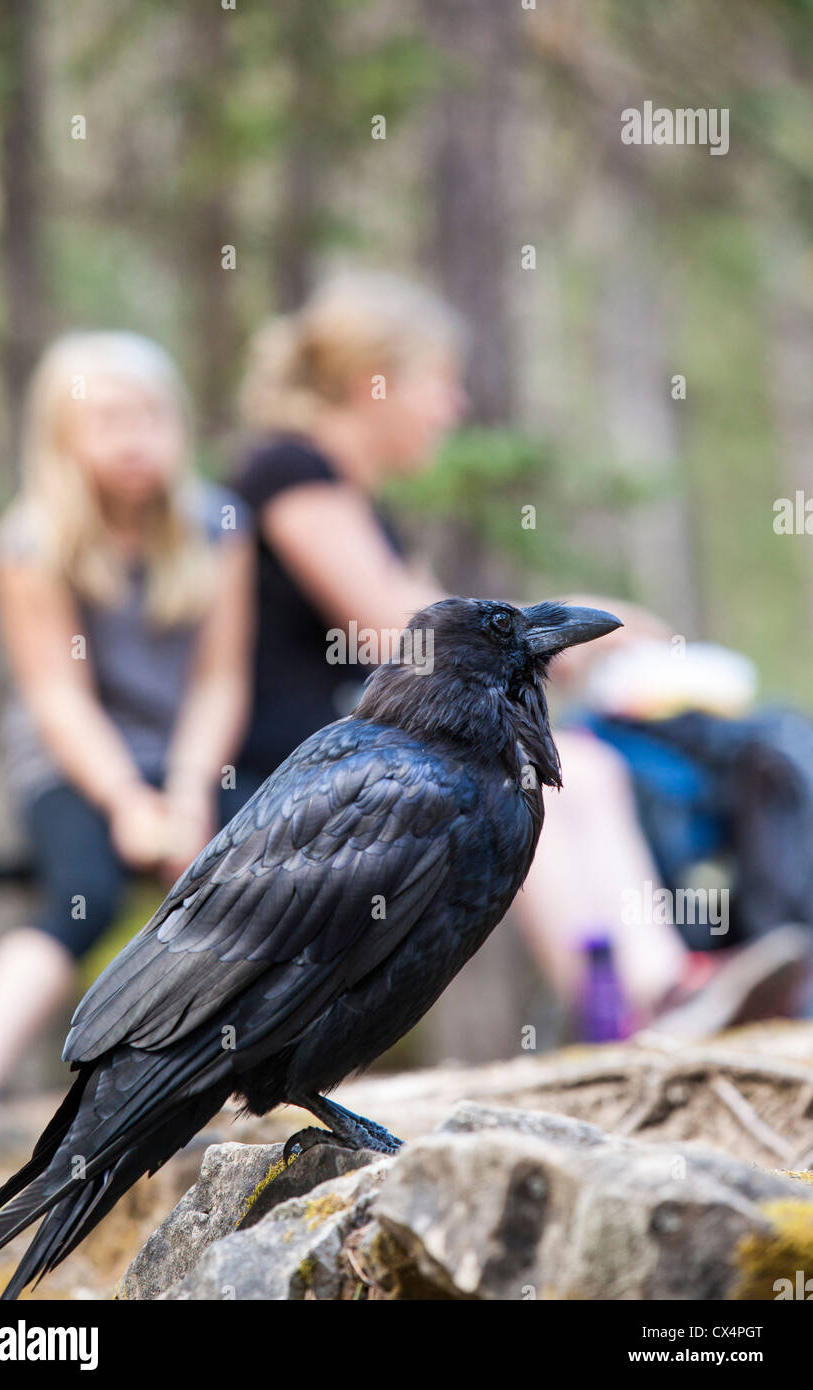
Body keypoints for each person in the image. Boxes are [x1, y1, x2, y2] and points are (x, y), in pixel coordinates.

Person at [229, 270, 801, 1041]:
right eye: (440, 383)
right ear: (374, 383)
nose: (454, 407)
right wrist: (549, 635)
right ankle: (633, 1003)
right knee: (558, 773)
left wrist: (560, 644)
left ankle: (655, 988)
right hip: (305, 756)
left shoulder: (361, 500)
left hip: (371, 748)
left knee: (585, 768)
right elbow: (393, 632)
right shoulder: (292, 474)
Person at [0, 332, 254, 1119]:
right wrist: (125, 802)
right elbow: (58, 697)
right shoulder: (29, 544)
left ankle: (230, 1080)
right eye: (109, 420)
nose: (134, 438)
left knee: (252, 877)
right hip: (69, 762)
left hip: (187, 751)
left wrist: (186, 793)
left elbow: (221, 680)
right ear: (61, 439)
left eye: (150, 416)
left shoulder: (220, 524)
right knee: (83, 891)